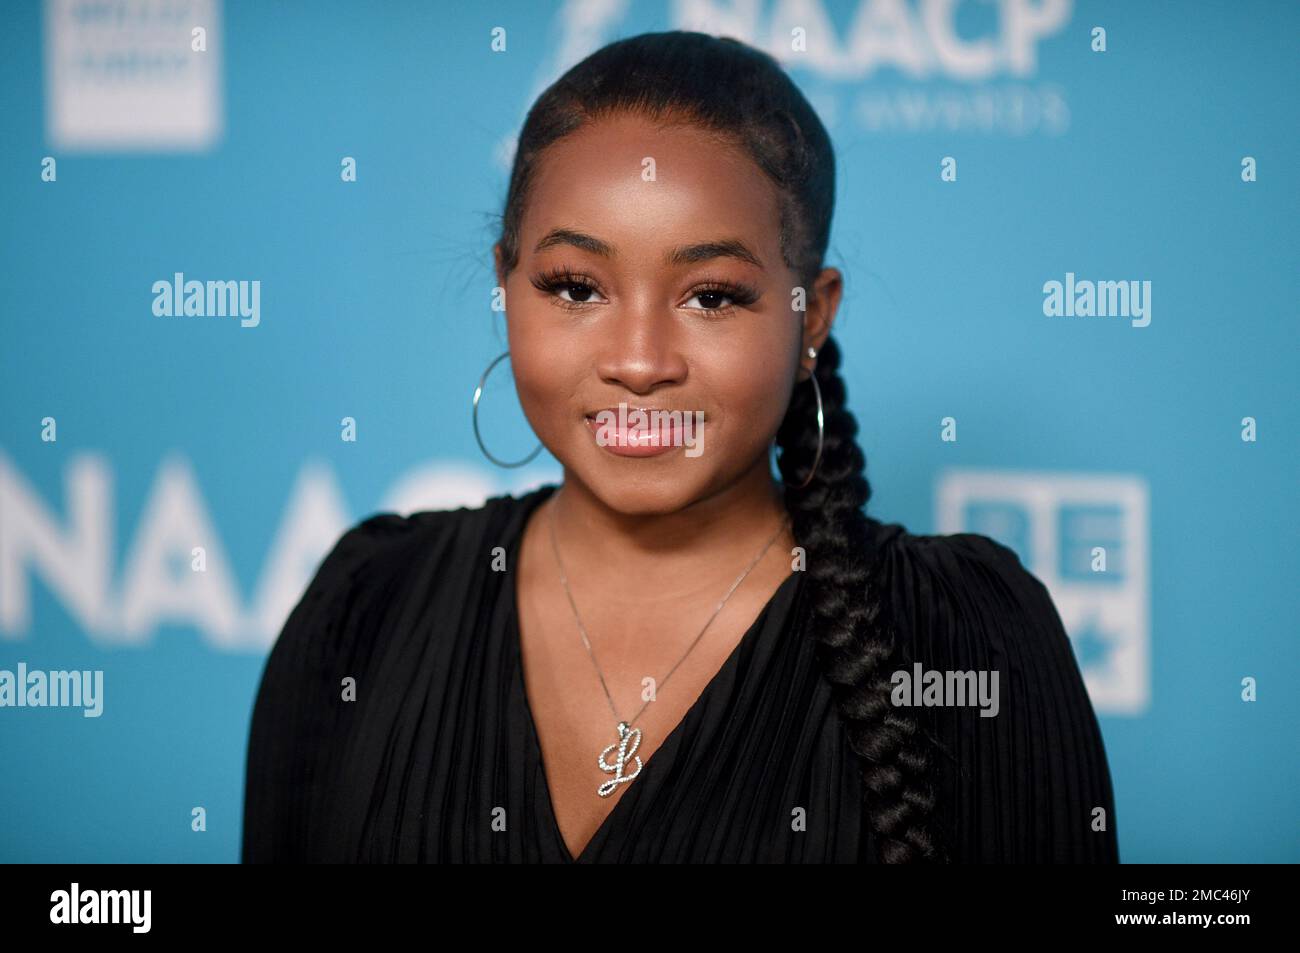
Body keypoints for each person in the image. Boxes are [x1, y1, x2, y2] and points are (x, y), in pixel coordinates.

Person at [241, 31, 1118, 863]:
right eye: (576, 287)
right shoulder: (367, 608)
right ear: (507, 284)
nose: (638, 362)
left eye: (711, 297)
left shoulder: (966, 640)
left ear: (810, 314)